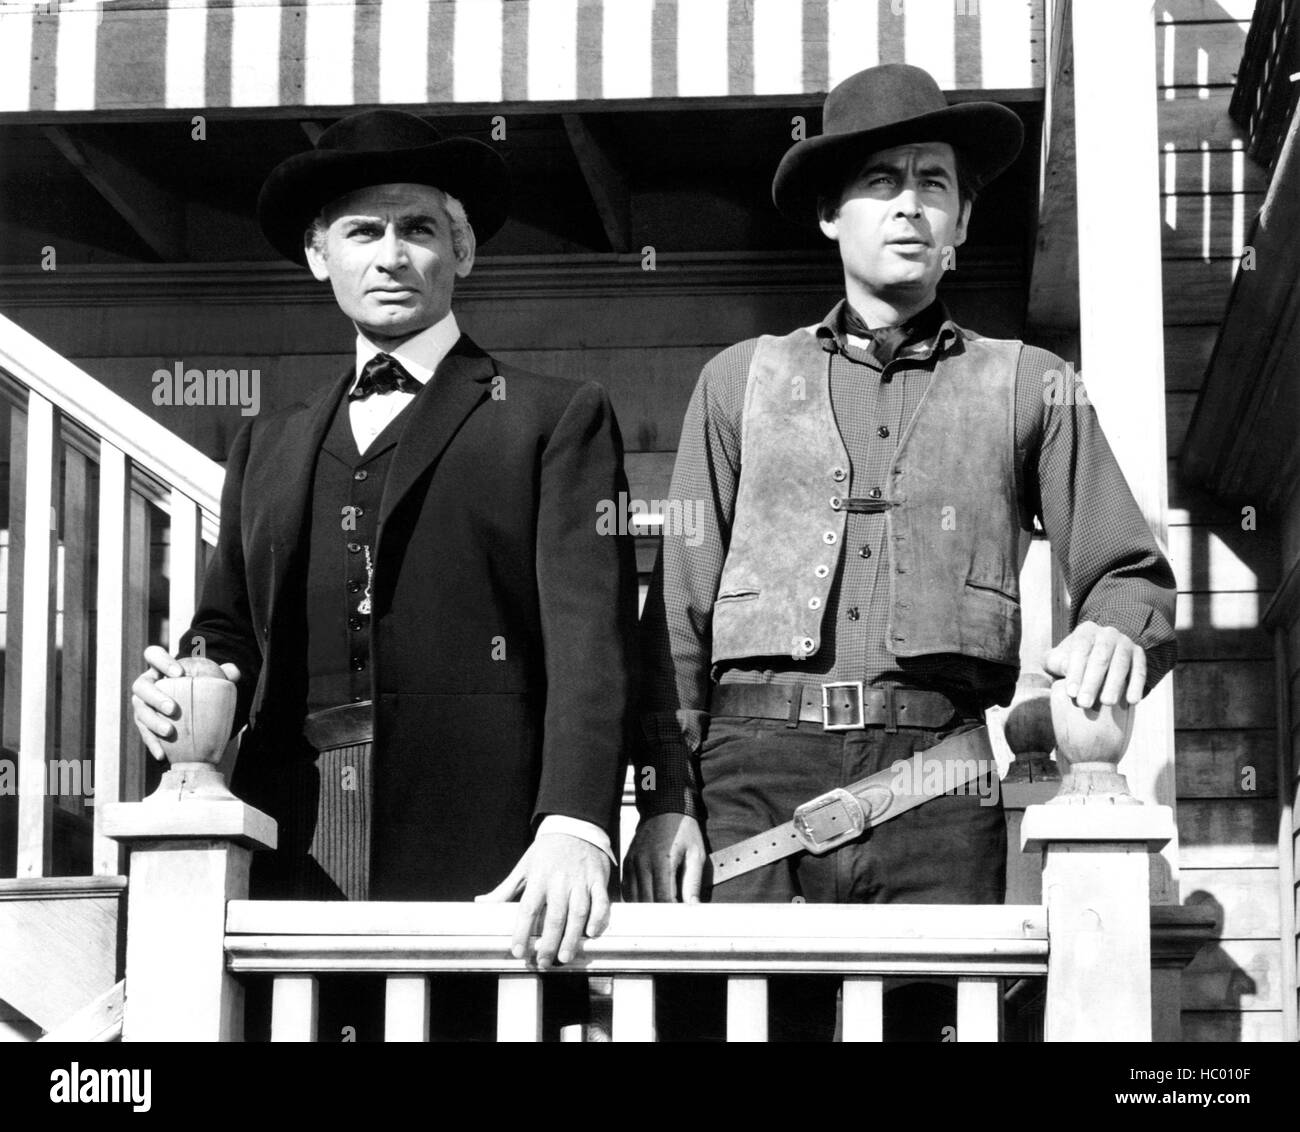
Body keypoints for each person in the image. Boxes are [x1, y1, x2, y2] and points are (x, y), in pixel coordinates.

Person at [625, 64, 1178, 1040]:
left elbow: (1128, 573)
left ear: (963, 221)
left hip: (938, 779)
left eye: (935, 183)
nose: (910, 205)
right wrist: (666, 802)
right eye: (881, 182)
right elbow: (676, 612)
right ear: (831, 215)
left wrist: (1112, 630)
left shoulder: (1031, 385)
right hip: (751, 779)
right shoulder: (736, 383)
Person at [130, 109, 638, 1038]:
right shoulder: (269, 442)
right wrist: (181, 690)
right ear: (322, 256)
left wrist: (574, 824)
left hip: (484, 846)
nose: (392, 254)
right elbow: (227, 629)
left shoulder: (552, 419)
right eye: (364, 231)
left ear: (465, 251)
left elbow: (591, 643)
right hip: (297, 833)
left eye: (419, 230)